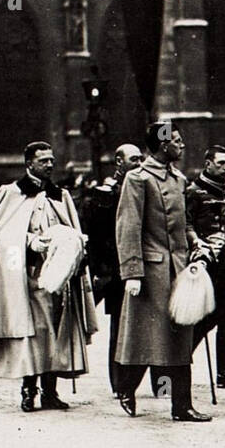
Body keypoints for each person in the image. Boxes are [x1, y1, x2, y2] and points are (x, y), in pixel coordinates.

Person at [0, 142, 99, 411]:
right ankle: (29, 389)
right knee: (33, 334)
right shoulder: (11, 193)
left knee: (56, 333)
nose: (50, 165)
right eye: (43, 161)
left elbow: (72, 228)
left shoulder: (60, 195)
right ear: (29, 164)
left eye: (52, 160)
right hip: (28, 276)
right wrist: (29, 242)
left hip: (59, 276)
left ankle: (50, 391)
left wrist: (73, 244)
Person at [112, 122, 211, 422]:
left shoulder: (179, 179)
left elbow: (185, 222)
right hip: (151, 272)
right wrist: (131, 273)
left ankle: (181, 406)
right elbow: (128, 226)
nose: (181, 146)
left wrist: (196, 240)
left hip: (179, 269)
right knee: (149, 338)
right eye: (176, 141)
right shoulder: (138, 179)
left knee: (180, 336)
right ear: (162, 145)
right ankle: (127, 387)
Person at [79, 143, 142, 394]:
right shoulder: (103, 195)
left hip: (140, 266)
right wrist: (100, 269)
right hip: (114, 270)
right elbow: (95, 236)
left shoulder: (143, 187)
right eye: (134, 160)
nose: (139, 164)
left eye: (140, 159)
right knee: (120, 325)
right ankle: (120, 382)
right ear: (119, 163)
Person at [186, 146, 225, 390]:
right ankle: (178, 361)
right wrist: (196, 242)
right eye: (220, 163)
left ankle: (224, 372)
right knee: (206, 318)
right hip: (206, 260)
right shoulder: (194, 191)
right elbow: (186, 223)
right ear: (208, 163)